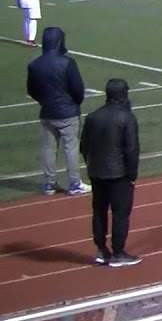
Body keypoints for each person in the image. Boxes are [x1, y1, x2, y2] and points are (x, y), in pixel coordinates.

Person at [80, 78, 141, 267]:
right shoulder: (127, 117)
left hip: (97, 173)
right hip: (119, 174)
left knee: (99, 211)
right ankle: (118, 252)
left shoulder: (93, 116)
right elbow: (131, 149)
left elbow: (84, 146)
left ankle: (101, 250)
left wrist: (92, 164)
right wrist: (132, 175)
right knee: (120, 213)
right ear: (124, 95)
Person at [26, 26, 90, 196]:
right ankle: (74, 182)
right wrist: (74, 103)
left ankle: (49, 184)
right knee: (70, 147)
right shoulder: (67, 63)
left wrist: (44, 101)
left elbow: (31, 90)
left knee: (48, 148)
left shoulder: (35, 65)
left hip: (47, 111)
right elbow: (78, 89)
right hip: (67, 112)